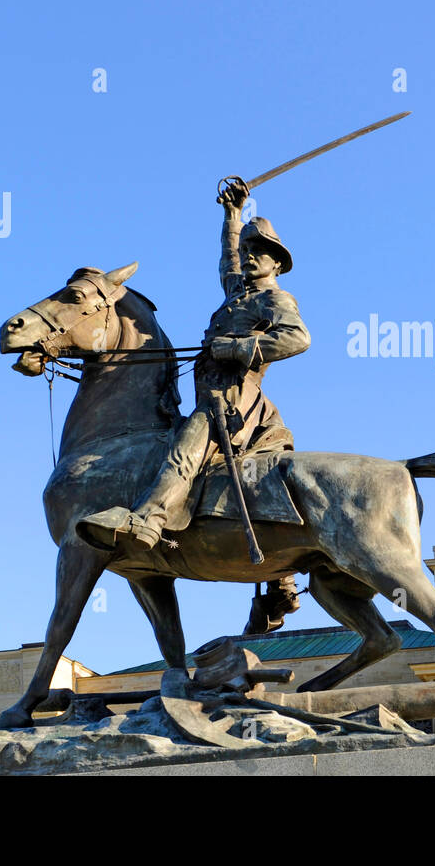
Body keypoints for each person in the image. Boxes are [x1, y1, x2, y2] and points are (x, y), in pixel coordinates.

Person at [77, 182, 309, 632]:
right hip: (217, 398)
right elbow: (228, 257)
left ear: (277, 261)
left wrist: (238, 348)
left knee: (189, 439)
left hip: (237, 406)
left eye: (261, 250)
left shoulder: (274, 299)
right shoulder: (237, 292)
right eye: (251, 248)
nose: (252, 255)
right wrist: (232, 215)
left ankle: (149, 519)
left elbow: (298, 338)